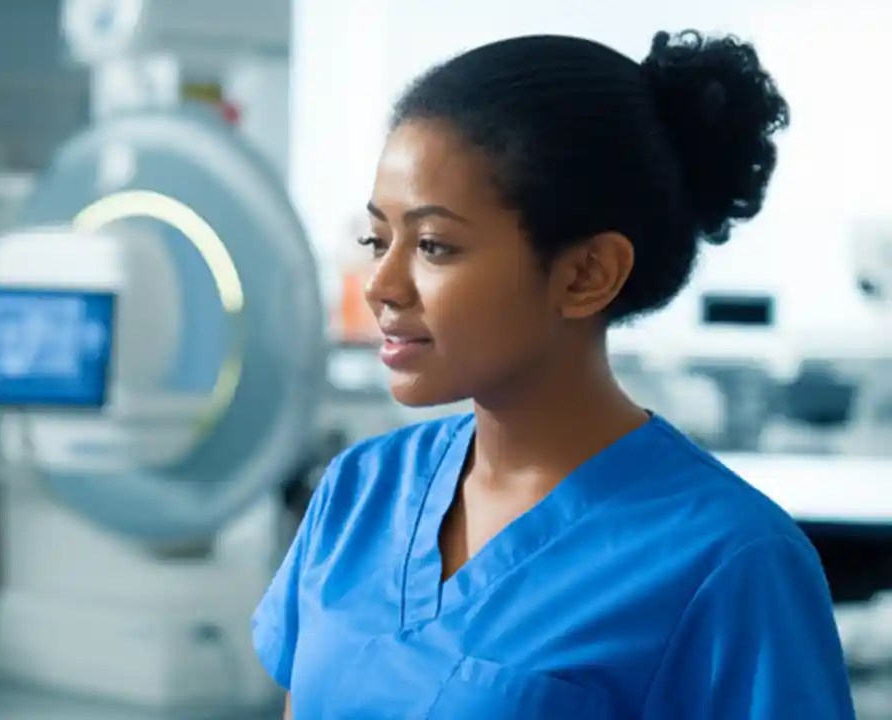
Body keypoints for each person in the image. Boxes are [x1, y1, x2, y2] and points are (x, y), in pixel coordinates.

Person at [251, 30, 857, 719]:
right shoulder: (359, 494)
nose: (381, 285)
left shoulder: (732, 563)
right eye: (377, 240)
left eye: (433, 246)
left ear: (585, 274)